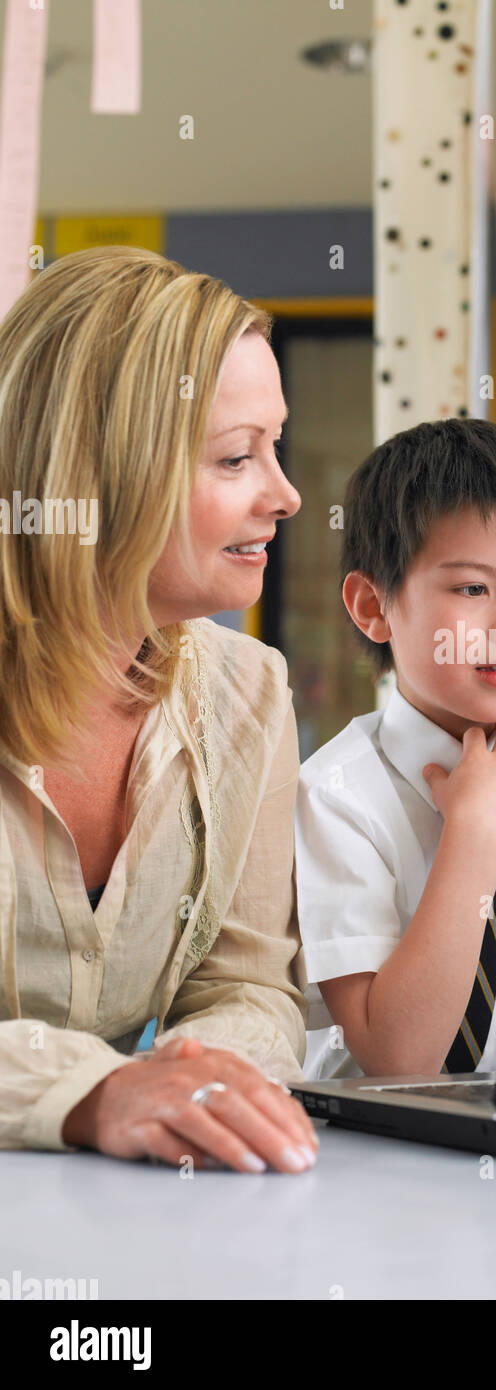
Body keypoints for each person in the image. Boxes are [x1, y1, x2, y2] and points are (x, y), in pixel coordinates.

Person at [0, 245, 319, 1171]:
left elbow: (252, 988)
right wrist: (94, 1091)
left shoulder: (248, 690)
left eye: (276, 447)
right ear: (96, 475)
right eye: (235, 458)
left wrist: (192, 1084)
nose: (287, 495)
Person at [296, 418, 496, 1078]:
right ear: (373, 607)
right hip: (378, 1161)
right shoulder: (331, 799)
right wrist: (474, 833)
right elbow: (400, 1063)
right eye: (472, 590)